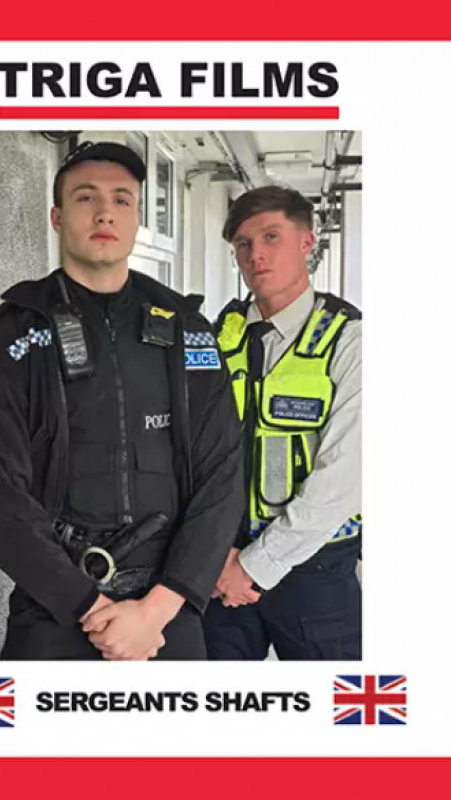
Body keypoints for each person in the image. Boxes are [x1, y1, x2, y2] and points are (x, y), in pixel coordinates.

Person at [0, 141, 243, 661]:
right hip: (54, 610)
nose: (105, 212)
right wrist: (88, 606)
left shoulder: (186, 329)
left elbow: (223, 474)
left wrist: (157, 610)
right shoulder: (10, 334)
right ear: (57, 217)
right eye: (86, 198)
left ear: (137, 218)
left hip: (167, 615)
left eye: (122, 199)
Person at [203, 185, 362, 660]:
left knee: (337, 701)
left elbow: (346, 475)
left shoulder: (351, 341)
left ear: (307, 242)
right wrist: (209, 555)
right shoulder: (217, 337)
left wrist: (255, 566)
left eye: (271, 237)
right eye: (243, 244)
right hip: (220, 566)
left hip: (314, 572)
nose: (256, 255)